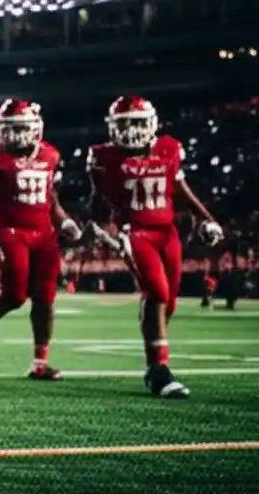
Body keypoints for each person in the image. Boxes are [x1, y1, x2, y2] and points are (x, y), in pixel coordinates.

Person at [87, 95, 223, 398]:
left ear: (152, 124)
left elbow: (181, 189)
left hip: (167, 231)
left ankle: (154, 363)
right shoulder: (104, 156)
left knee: (168, 301)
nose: (133, 131)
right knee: (157, 292)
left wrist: (206, 218)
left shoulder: (169, 149)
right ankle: (159, 370)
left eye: (138, 124)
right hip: (134, 230)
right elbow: (98, 200)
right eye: (126, 125)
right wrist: (94, 222)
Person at [0, 99, 82, 379]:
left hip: (44, 233)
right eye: (10, 129)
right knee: (15, 295)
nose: (16, 135)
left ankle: (40, 363)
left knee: (45, 298)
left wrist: (65, 220)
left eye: (22, 128)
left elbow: (50, 198)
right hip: (10, 231)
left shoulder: (50, 155)